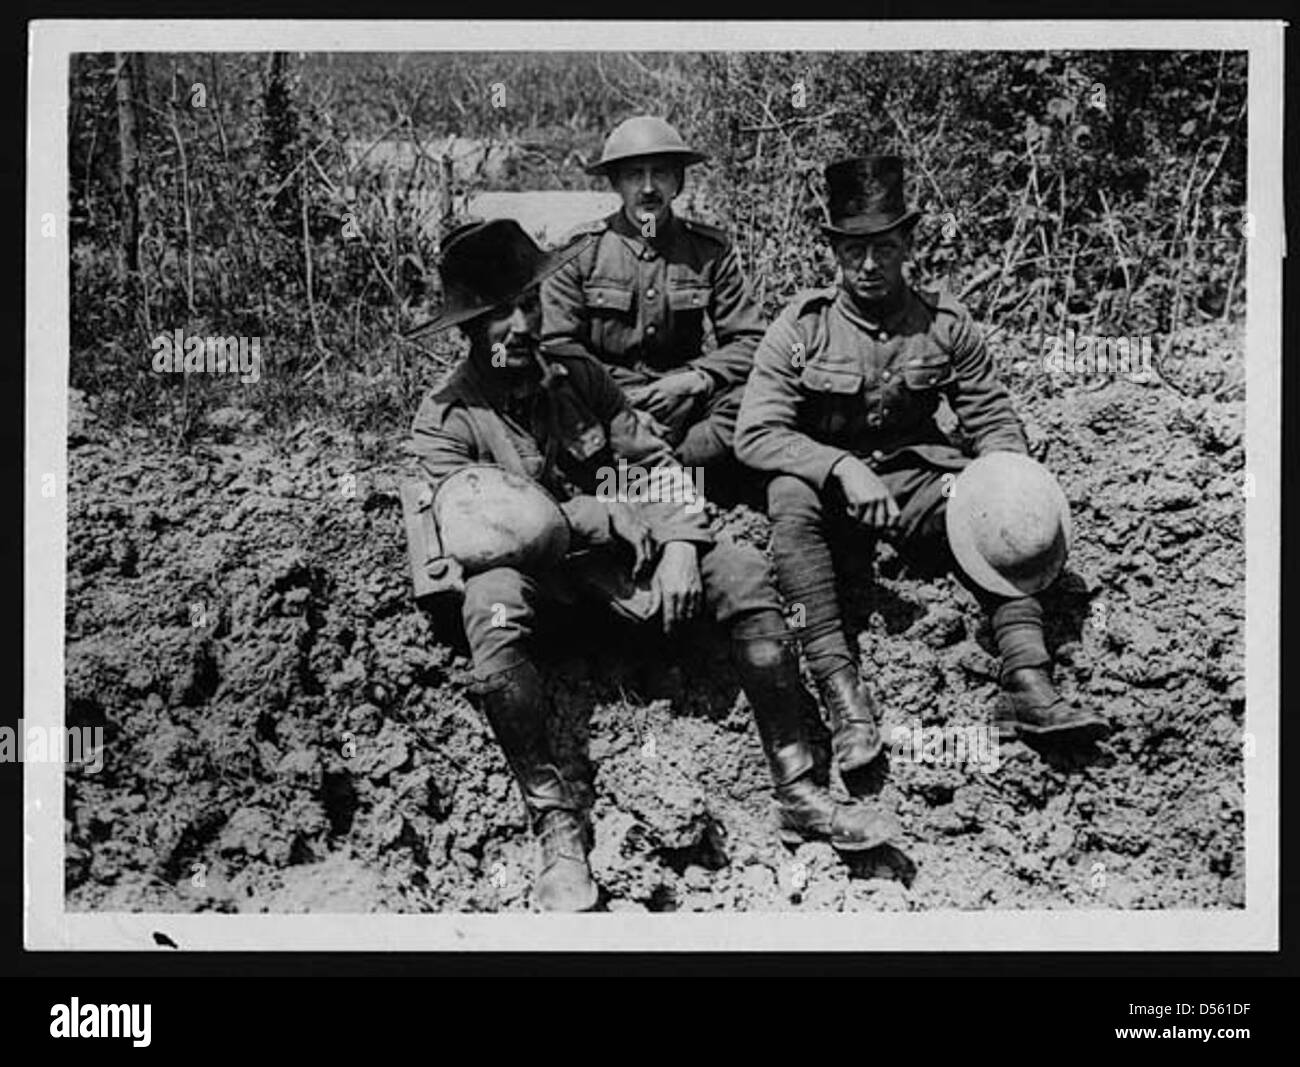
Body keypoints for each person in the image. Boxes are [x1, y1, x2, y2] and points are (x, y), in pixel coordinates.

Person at [406, 218, 898, 911]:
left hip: (628, 577)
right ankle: (557, 827)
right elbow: (468, 532)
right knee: (490, 597)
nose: (519, 325)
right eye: (497, 314)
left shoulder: (579, 377)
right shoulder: (447, 419)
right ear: (468, 327)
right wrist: (597, 514)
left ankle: (799, 791)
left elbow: (660, 470)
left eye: (529, 304)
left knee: (747, 571)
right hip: (545, 596)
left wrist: (678, 545)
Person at [734, 155, 1110, 792]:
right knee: (787, 495)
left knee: (991, 494)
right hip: (827, 490)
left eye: (884, 247)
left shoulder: (944, 324)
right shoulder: (803, 328)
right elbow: (758, 433)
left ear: (908, 243)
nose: (870, 264)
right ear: (834, 250)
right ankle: (844, 701)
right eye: (855, 250)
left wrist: (1007, 483)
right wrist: (840, 464)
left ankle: (1027, 679)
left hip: (916, 483)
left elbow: (991, 417)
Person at [540, 115, 764, 471]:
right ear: (616, 184)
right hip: (603, 402)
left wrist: (695, 379)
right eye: (634, 175)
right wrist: (618, 405)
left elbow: (750, 340)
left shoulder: (708, 250)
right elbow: (557, 345)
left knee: (756, 399)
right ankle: (661, 466)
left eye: (660, 173)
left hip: (685, 401)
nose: (648, 188)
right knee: (551, 395)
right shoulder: (579, 252)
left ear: (678, 181)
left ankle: (663, 464)